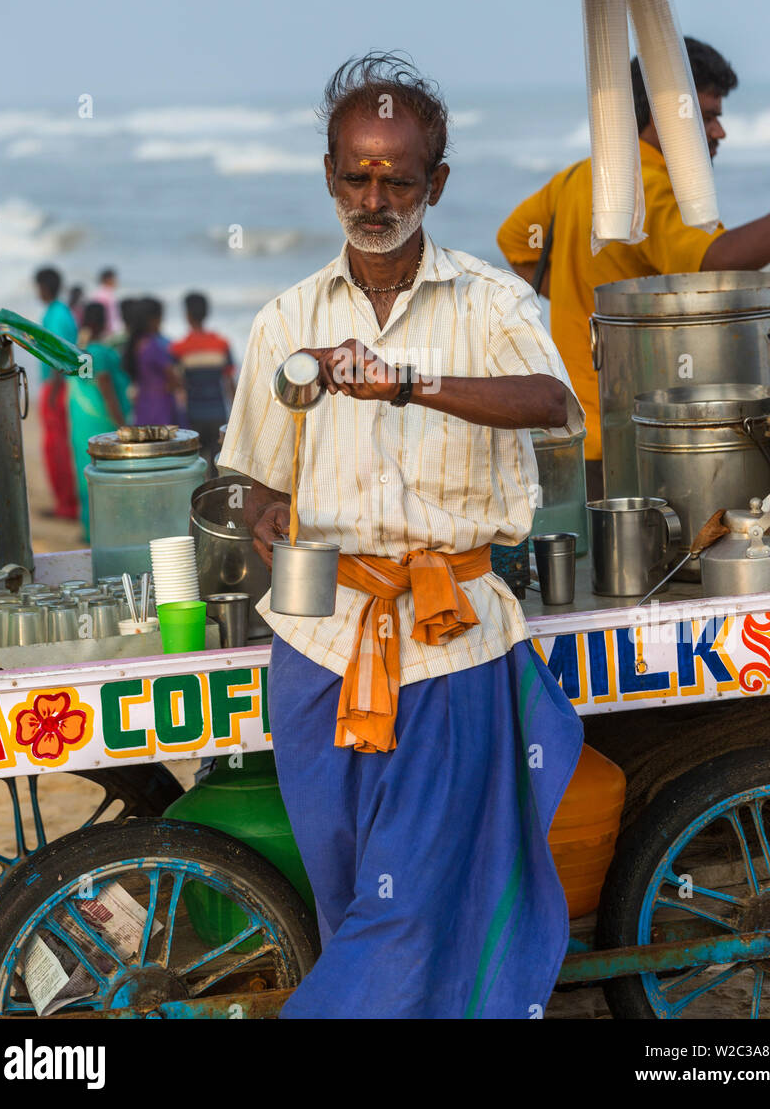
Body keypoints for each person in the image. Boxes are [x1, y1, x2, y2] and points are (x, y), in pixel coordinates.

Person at [221, 53, 585, 1020]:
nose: (375, 196)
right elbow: (250, 477)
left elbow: (553, 402)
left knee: (413, 905)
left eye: (399, 177)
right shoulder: (283, 320)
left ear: (439, 183)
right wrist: (256, 512)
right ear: (330, 172)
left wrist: (409, 380)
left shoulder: (491, 301)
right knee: (353, 902)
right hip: (318, 643)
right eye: (356, 174)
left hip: (448, 638)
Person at [496, 39, 770, 500]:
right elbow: (717, 262)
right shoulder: (650, 185)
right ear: (664, 117)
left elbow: (514, 239)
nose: (719, 131)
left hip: (574, 429)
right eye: (705, 117)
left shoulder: (580, 176)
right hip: (637, 434)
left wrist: (574, 296)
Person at [67, 302, 131, 538]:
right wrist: (121, 422)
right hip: (102, 421)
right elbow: (105, 386)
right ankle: (107, 530)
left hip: (81, 421)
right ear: (102, 322)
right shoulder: (101, 352)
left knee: (86, 472)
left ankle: (89, 528)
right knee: (107, 473)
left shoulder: (78, 351)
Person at [170, 293, 235, 473]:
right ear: (207, 313)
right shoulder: (221, 344)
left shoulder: (179, 348)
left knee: (195, 469)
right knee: (217, 469)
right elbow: (230, 382)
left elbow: (177, 385)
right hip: (218, 414)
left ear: (187, 315)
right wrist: (237, 415)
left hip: (193, 415)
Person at [34, 267, 79, 520]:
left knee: (56, 446)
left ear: (45, 287)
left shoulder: (56, 314)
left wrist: (54, 389)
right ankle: (65, 502)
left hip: (56, 386)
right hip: (58, 385)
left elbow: (60, 354)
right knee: (57, 445)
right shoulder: (59, 311)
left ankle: (66, 505)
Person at [123, 297, 180, 426]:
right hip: (160, 405)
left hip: (143, 404)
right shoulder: (153, 346)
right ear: (152, 320)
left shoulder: (134, 344)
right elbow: (172, 377)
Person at [89, 268, 122, 335]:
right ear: (108, 279)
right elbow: (110, 318)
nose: (116, 281)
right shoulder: (107, 295)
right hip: (107, 333)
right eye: (114, 279)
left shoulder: (96, 293)